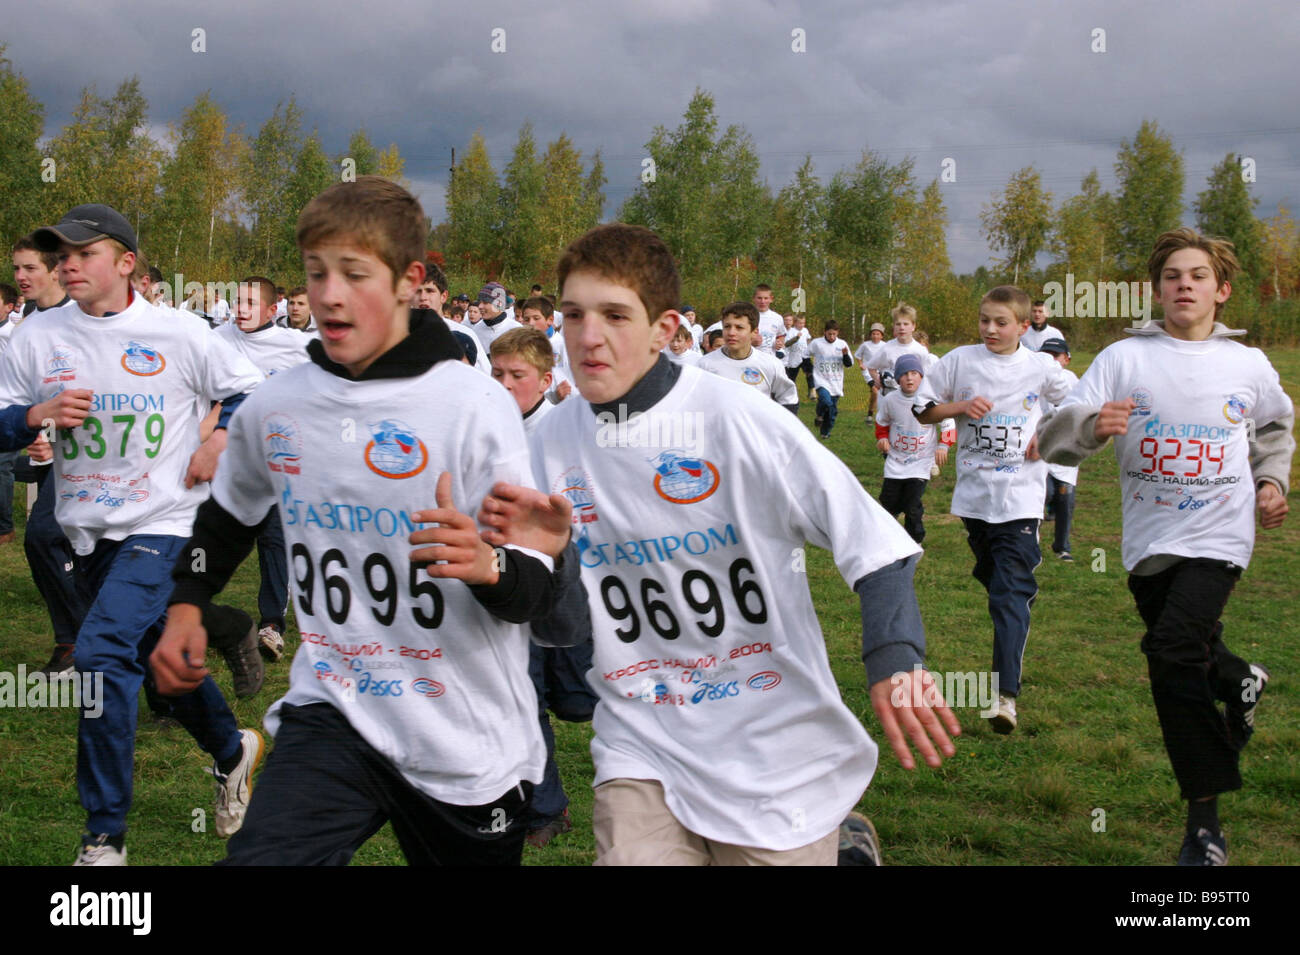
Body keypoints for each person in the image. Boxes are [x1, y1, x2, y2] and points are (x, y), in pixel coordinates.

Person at [478, 223, 959, 866]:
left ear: (665, 327)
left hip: (771, 738)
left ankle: (842, 849)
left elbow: (875, 544)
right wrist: (539, 568)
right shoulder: (544, 448)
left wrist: (894, 657)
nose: (588, 336)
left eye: (615, 315)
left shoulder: (737, 420)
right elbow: (562, 630)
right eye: (573, 315)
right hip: (641, 735)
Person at [151, 177, 575, 866]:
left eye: (354, 273)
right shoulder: (276, 405)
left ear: (410, 281)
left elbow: (536, 591)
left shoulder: (472, 406)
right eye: (316, 273)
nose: (328, 294)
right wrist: (186, 604)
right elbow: (228, 517)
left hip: (463, 736)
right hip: (334, 710)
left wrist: (488, 566)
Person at [0, 203, 265, 864]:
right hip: (87, 532)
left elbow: (251, 393)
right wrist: (35, 413)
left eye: (83, 253)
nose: (68, 263)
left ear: (124, 262)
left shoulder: (180, 332)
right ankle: (234, 751)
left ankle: (104, 836)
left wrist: (222, 436)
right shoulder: (33, 337)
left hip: (166, 522)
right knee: (156, 662)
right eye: (60, 252)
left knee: (101, 654)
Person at [1037, 228, 1293, 866]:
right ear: (1157, 290)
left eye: (1198, 275)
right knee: (1188, 651)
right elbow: (1052, 435)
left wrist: (1270, 479)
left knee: (1172, 647)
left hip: (1221, 533)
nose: (1185, 284)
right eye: (1173, 275)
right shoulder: (1126, 357)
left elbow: (1273, 426)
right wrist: (1094, 426)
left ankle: (1204, 824)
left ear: (1221, 290)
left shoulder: (1248, 365)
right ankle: (1236, 679)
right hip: (1149, 541)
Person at [914, 286, 1072, 734]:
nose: (990, 329)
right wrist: (960, 407)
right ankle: (1013, 592)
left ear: (1025, 326)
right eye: (984, 319)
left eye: (1001, 322)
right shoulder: (959, 361)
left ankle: (1005, 697)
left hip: (1021, 500)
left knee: (1008, 595)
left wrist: (1051, 436)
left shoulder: (1040, 367)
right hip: (974, 501)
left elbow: (1078, 401)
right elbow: (924, 410)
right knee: (993, 578)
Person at [488, 326, 598, 848]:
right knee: (522, 698)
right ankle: (546, 808)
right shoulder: (482, 428)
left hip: (574, 588)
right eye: (497, 374)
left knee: (582, 701)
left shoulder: (566, 431)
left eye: (517, 376)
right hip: (509, 589)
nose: (505, 385)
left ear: (546, 380)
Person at [215, 275, 313, 660]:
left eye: (251, 303)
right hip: (223, 460)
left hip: (276, 461)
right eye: (238, 301)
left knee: (273, 540)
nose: (241, 309)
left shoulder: (298, 345)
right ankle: (193, 616)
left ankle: (272, 624)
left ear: (274, 310)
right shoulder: (217, 339)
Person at [10, 236, 86, 675]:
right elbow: (21, 396)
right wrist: (31, 428)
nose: (21, 277)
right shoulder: (28, 324)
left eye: (30, 268)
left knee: (45, 536)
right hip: (51, 452)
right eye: (17, 268)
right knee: (49, 541)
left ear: (55, 270)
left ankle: (80, 640)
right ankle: (73, 641)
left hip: (98, 453)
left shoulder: (80, 318)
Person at [875, 354, 950, 543]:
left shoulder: (931, 400)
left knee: (912, 503)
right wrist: (883, 438)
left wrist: (943, 446)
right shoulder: (890, 400)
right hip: (895, 460)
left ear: (921, 376)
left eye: (914, 373)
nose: (909, 378)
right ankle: (887, 538)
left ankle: (914, 539)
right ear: (897, 378)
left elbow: (949, 425)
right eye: (905, 374)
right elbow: (882, 422)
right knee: (888, 502)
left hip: (921, 461)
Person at [699, 302, 798, 412]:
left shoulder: (771, 364)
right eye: (727, 326)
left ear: (754, 332)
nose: (731, 332)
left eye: (739, 327)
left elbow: (788, 399)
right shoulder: (704, 364)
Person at [1036, 337, 1078, 560]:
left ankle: (1062, 547)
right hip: (1039, 448)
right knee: (1044, 492)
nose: (1051, 360)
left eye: (1056, 356)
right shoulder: (1035, 378)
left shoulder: (1072, 381)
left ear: (1066, 359)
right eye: (1046, 355)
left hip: (1065, 451)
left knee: (1065, 499)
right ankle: (1032, 539)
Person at [868, 304, 930, 398]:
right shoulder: (886, 348)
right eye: (898, 324)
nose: (902, 327)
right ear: (894, 326)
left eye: (906, 324)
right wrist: (877, 379)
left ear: (913, 326)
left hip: (912, 400)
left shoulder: (921, 351)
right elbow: (871, 367)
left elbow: (927, 376)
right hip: (888, 398)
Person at [808, 320, 853, 439]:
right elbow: (805, 354)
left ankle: (825, 432)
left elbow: (848, 364)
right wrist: (809, 369)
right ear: (825, 332)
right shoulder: (817, 343)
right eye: (829, 334)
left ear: (837, 332)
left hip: (836, 383)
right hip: (821, 380)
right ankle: (819, 414)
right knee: (825, 401)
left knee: (832, 412)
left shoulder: (842, 344)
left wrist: (845, 355)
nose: (832, 336)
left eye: (834, 334)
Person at [855, 322, 887, 421]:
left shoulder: (885, 345)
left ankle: (873, 413)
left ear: (881, 336)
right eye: (873, 334)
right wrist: (861, 364)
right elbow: (858, 355)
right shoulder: (865, 345)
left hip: (881, 373)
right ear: (870, 335)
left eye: (878, 334)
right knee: (875, 391)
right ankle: (870, 416)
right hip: (868, 373)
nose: (875, 336)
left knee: (881, 394)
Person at [752, 284, 787, 356]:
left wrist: (779, 343)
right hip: (751, 359)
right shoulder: (747, 316)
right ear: (754, 298)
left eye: (766, 298)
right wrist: (750, 342)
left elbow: (781, 335)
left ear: (771, 299)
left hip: (770, 359)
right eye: (759, 298)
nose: (762, 301)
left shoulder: (777, 318)